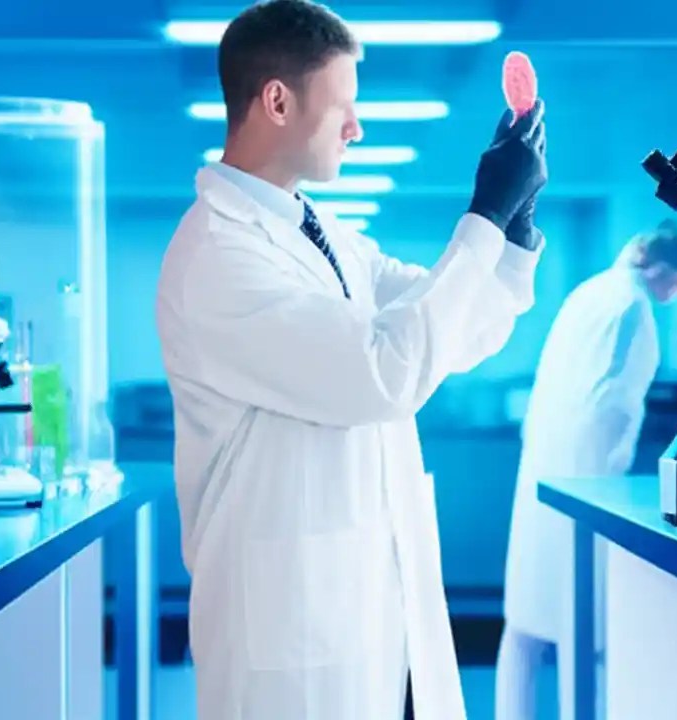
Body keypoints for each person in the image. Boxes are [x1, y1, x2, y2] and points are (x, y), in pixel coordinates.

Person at [154, 0, 548, 717]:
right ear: (277, 100)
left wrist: (511, 234)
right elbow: (383, 376)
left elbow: (449, 329)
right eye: (344, 106)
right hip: (286, 635)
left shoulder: (323, 232)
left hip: (375, 611)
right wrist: (483, 217)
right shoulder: (219, 254)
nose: (357, 128)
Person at [496, 220, 677, 720]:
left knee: (526, 623)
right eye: (676, 283)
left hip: (544, 469)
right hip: (585, 484)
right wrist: (612, 486)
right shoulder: (631, 306)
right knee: (584, 629)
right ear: (657, 267)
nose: (674, 294)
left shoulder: (589, 292)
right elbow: (612, 409)